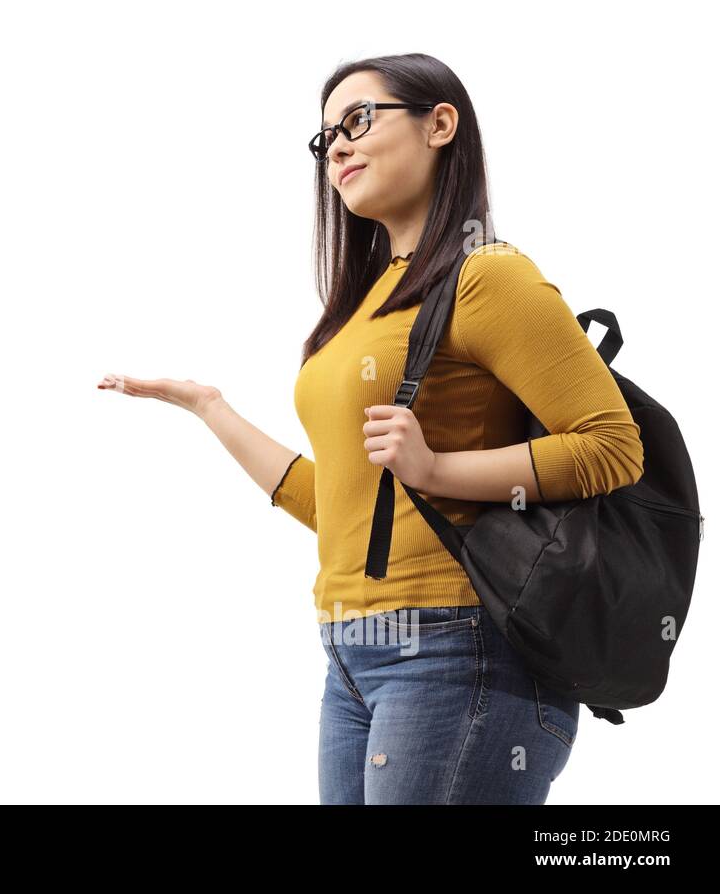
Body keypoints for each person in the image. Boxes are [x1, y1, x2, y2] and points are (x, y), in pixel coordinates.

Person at [97, 52, 643, 804]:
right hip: (351, 653)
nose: (338, 149)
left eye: (357, 120)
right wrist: (209, 407)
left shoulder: (489, 275)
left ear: (439, 125)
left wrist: (436, 470)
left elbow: (611, 448)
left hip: (459, 648)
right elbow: (346, 507)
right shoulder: (366, 303)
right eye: (326, 138)